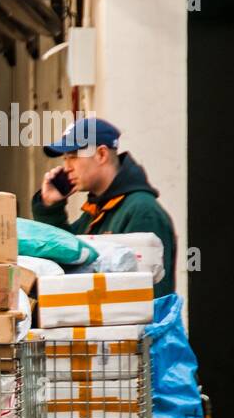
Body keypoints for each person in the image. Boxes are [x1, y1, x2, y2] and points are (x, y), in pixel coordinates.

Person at [32, 116, 177, 298]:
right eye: (65, 158)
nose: (66, 167)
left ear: (101, 154)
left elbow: (149, 300)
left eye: (74, 156)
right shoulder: (96, 211)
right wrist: (50, 207)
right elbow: (63, 261)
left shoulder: (142, 211)